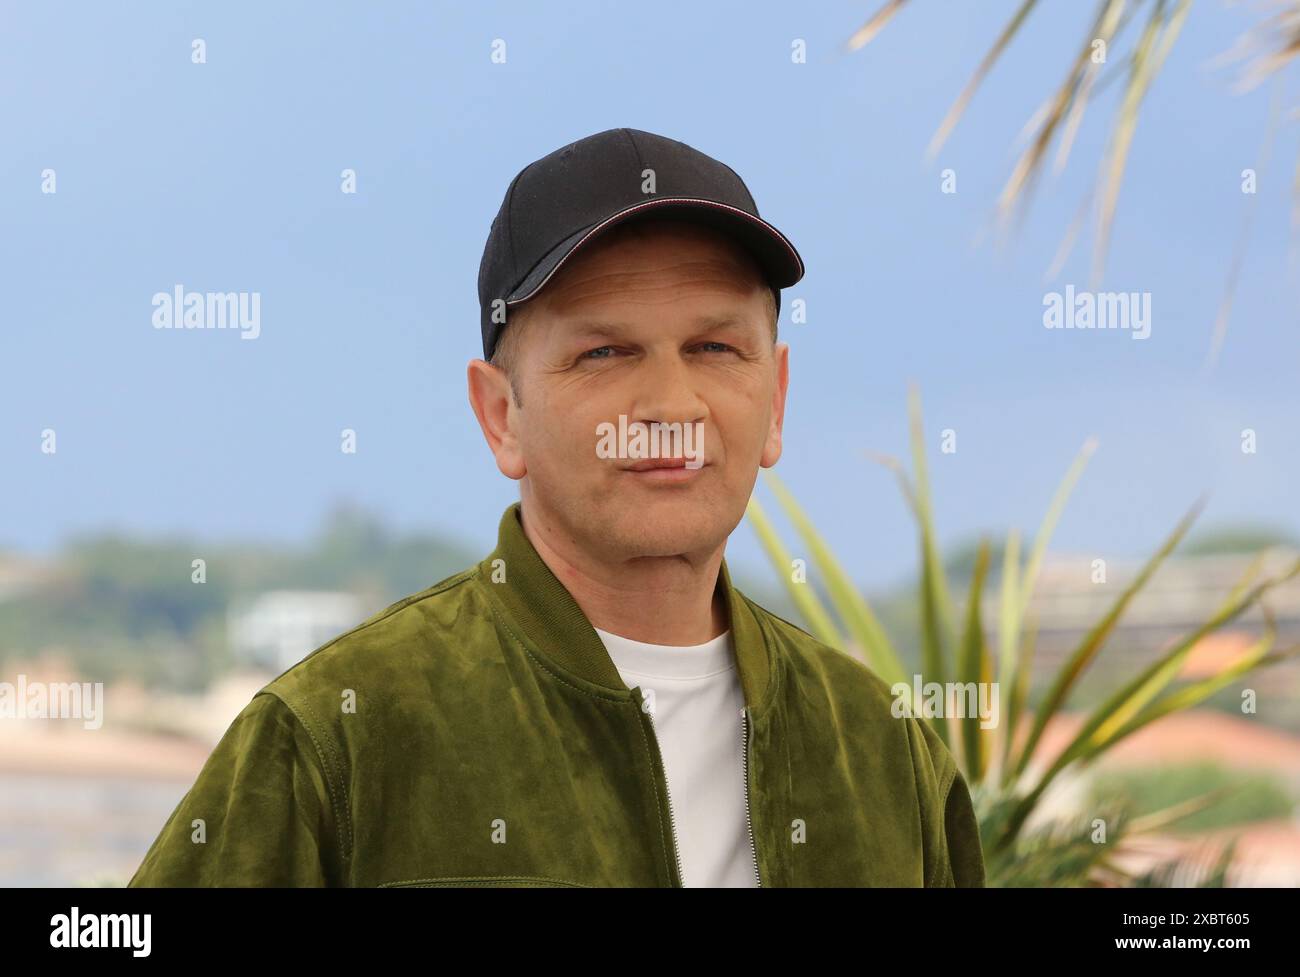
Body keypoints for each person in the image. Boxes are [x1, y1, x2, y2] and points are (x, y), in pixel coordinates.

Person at [129, 128, 986, 887]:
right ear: (502, 415)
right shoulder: (335, 736)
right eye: (604, 352)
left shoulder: (883, 755)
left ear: (777, 400)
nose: (669, 403)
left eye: (716, 348)